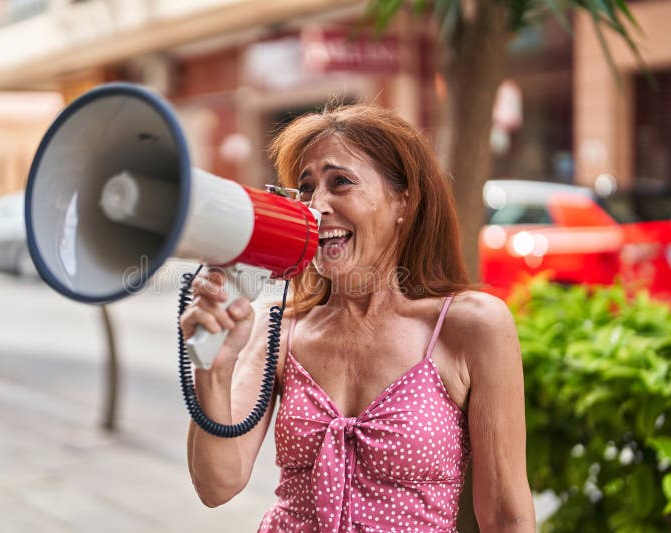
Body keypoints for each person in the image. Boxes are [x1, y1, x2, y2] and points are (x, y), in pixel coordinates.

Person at [180, 105, 535, 532]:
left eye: (340, 182)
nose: (315, 206)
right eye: (306, 188)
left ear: (404, 199)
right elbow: (217, 485)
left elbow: (506, 516)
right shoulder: (281, 325)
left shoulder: (471, 326)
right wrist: (214, 371)